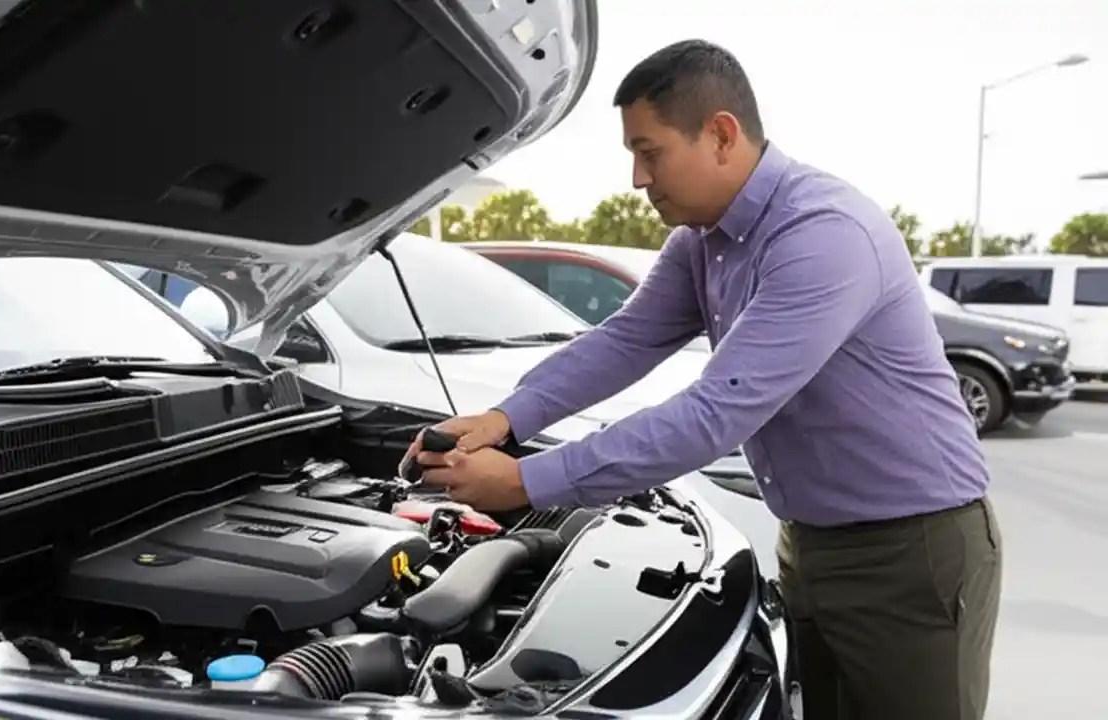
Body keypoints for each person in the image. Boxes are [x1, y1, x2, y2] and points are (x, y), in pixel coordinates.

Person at [404, 39, 1001, 720]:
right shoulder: (702, 239)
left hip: (911, 554)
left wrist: (525, 481)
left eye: (649, 151)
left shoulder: (822, 233)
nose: (636, 177)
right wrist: (506, 420)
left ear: (720, 134)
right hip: (810, 544)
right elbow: (625, 340)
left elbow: (718, 410)